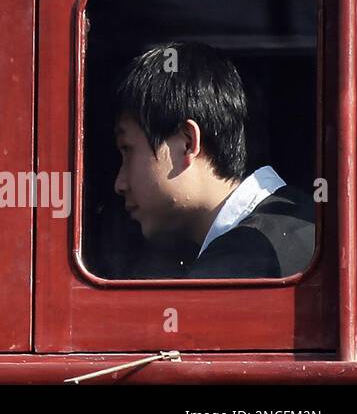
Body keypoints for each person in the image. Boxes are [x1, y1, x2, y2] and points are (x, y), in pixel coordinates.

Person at [112, 41, 314, 279]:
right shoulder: (301, 219)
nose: (119, 184)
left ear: (187, 142)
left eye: (128, 150)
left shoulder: (239, 269)